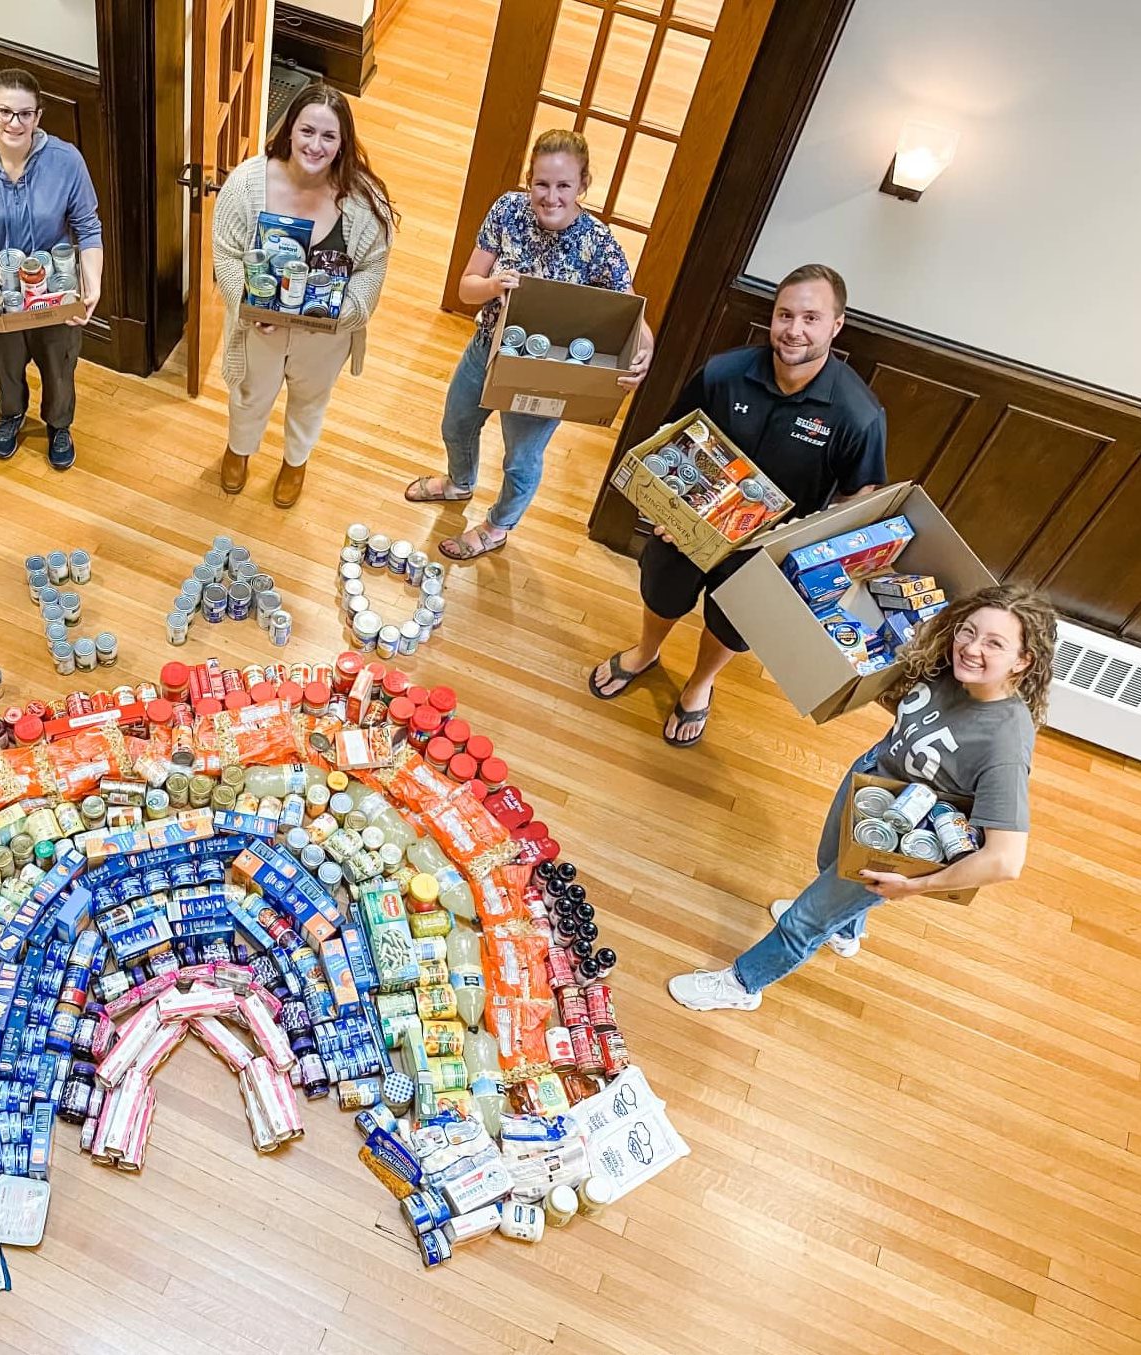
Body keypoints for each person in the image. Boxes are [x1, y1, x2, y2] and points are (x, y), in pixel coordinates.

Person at [668, 584, 1056, 1012]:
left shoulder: (1005, 742)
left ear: (1023, 661)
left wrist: (913, 886)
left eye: (994, 643)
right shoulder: (947, 664)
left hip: (903, 826)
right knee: (828, 862)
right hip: (875, 777)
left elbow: (1006, 860)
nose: (971, 648)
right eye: (969, 630)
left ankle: (743, 985)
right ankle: (846, 931)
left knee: (804, 920)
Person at [587, 263, 886, 747]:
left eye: (811, 318)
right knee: (662, 591)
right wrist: (668, 511)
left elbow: (862, 496)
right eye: (785, 315)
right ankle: (646, 651)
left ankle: (700, 683)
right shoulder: (724, 373)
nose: (794, 331)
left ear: (836, 325)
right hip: (690, 527)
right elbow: (671, 440)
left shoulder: (858, 413)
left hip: (767, 554)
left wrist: (809, 554)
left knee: (732, 626)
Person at [404, 129, 652, 560]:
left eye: (563, 186)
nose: (550, 196)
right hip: (488, 346)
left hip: (546, 373)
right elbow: (466, 288)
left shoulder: (600, 245)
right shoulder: (506, 210)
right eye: (541, 183)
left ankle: (499, 526)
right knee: (457, 424)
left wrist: (643, 354)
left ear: (583, 186)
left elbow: (632, 318)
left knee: (521, 458)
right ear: (528, 180)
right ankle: (459, 482)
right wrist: (493, 284)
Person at [211, 83, 395, 508]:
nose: (315, 145)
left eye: (329, 137)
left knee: (310, 399)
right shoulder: (247, 183)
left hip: (324, 334)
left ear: (343, 143)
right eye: (307, 131)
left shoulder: (366, 201)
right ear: (289, 129)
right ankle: (239, 449)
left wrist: (329, 316)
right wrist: (249, 305)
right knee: (250, 393)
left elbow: (371, 274)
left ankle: (296, 461)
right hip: (260, 327)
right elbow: (226, 252)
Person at [0, 67, 103, 471]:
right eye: (6, 112)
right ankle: (11, 414)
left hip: (54, 289)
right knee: (4, 365)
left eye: (25, 113)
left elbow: (88, 228)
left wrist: (93, 285)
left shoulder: (67, 161)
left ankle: (59, 424)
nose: (15, 122)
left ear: (39, 116)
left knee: (60, 366)